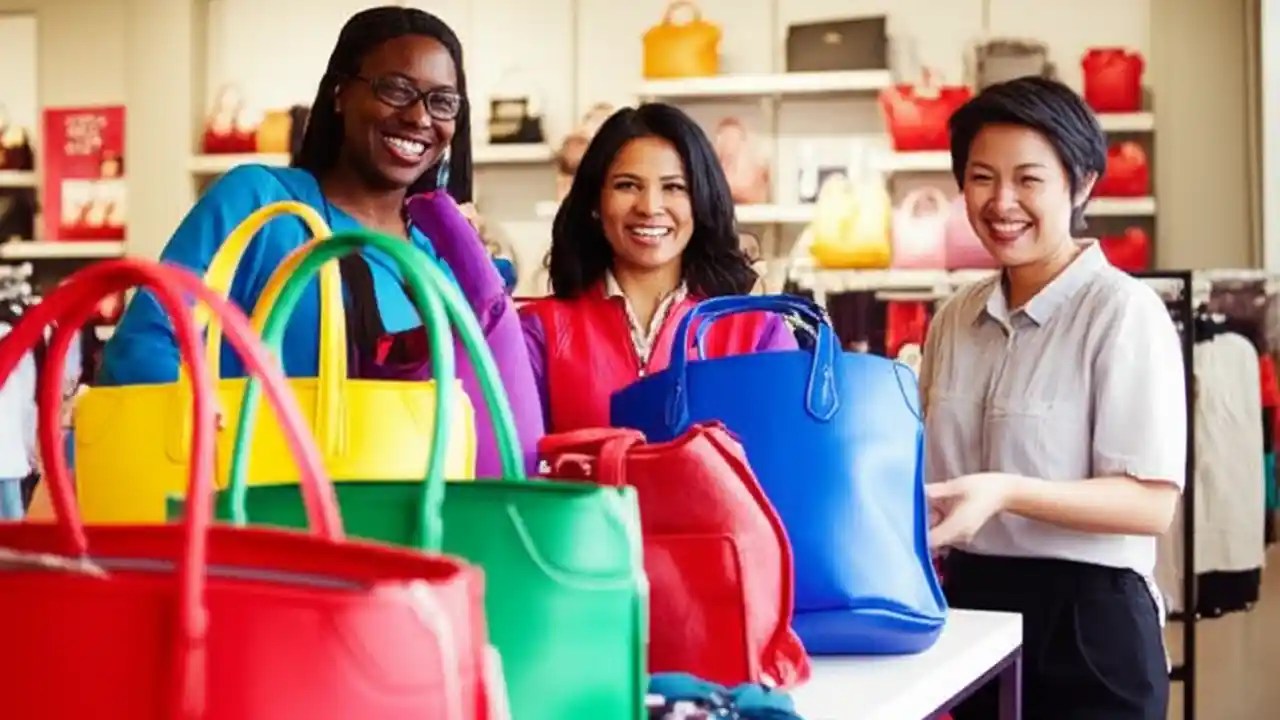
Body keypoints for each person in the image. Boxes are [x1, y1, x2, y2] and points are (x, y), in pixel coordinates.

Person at [99, 6, 543, 474]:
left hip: (402, 524)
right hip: (254, 512)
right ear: (339, 94)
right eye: (396, 90)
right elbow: (143, 346)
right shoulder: (261, 204)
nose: (418, 116)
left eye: (442, 101)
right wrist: (229, 449)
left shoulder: (439, 259)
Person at [919, 76, 1184, 719]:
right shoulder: (954, 317)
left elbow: (1150, 504)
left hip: (1089, 623)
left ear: (1082, 182)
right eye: (982, 178)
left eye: (1028, 179)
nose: (1002, 201)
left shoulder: (1123, 312)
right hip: (969, 608)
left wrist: (1005, 492)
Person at [519, 103, 796, 433]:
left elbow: (783, 465)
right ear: (595, 201)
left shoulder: (758, 332)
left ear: (701, 200)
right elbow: (514, 470)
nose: (650, 207)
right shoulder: (537, 332)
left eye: (674, 187)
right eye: (627, 185)